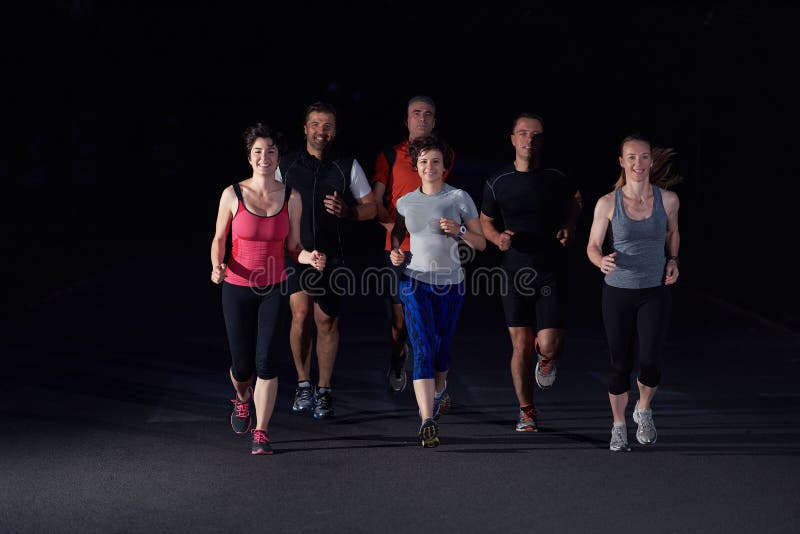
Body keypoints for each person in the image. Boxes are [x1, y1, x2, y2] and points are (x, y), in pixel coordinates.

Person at [210, 123, 325, 455]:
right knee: (242, 365)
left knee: (265, 361)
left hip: (273, 287)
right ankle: (242, 397)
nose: (264, 157)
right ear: (249, 156)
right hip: (235, 286)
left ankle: (261, 431)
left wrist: (310, 257)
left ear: (278, 158)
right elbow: (219, 239)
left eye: (271, 151)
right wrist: (216, 265)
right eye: (258, 151)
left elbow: (294, 248)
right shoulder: (232, 194)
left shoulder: (292, 197)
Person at [479, 112, 582, 432]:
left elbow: (576, 199)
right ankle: (526, 411)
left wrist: (569, 225)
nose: (529, 140)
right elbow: (485, 218)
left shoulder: (556, 176)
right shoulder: (498, 182)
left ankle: (547, 358)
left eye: (536, 135)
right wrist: (497, 238)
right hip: (514, 274)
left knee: (549, 344)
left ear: (542, 141)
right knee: (520, 345)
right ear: (512, 139)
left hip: (550, 270)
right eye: (523, 134)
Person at [276, 101, 377, 420]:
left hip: (332, 256)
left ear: (336, 131)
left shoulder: (347, 166)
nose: (321, 131)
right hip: (295, 253)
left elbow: (371, 207)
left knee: (326, 321)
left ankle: (324, 390)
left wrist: (348, 211)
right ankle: (303, 383)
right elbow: (267, 201)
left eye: (328, 125)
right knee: (300, 314)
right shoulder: (287, 164)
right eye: (316, 124)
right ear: (305, 128)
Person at [586, 133, 681, 452]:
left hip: (654, 290)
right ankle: (618, 425)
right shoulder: (607, 203)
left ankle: (643, 409)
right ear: (622, 162)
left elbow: (673, 233)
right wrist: (600, 260)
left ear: (651, 162)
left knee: (650, 361)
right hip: (618, 293)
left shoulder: (668, 200)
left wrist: (673, 260)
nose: (638, 163)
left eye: (643, 157)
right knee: (619, 365)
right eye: (631, 157)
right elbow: (592, 245)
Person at [390, 134, 485, 447]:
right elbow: (398, 234)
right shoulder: (406, 202)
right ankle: (427, 420)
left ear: (445, 167)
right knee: (422, 348)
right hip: (415, 281)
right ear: (416, 167)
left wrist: (458, 231)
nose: (429, 166)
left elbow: (481, 243)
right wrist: (396, 253)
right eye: (423, 162)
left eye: (435, 162)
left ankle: (440, 391)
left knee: (442, 349)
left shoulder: (458, 197)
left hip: (451, 284)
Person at [371, 95, 456, 394]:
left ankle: (436, 385)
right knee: (400, 323)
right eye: (416, 113)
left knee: (432, 320)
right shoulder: (390, 156)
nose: (422, 119)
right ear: (406, 120)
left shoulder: (446, 154)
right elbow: (376, 199)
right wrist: (392, 227)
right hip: (398, 250)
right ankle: (398, 356)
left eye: (428, 114)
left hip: (434, 251)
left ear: (434, 120)